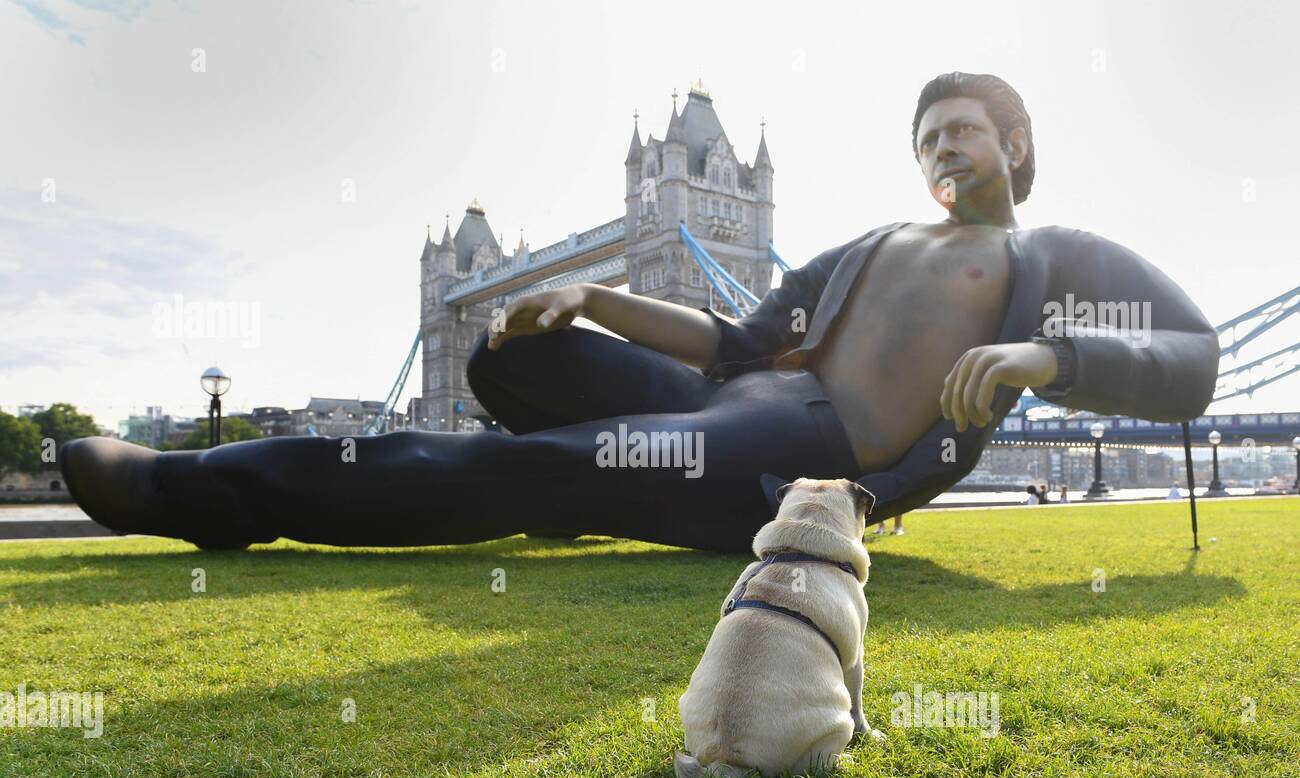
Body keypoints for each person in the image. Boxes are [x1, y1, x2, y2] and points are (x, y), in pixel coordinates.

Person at [60, 72, 1221, 553]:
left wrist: (1044, 352)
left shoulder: (1056, 254)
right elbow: (728, 342)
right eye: (925, 140)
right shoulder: (865, 249)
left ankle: (197, 494)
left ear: (1012, 143)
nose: (938, 151)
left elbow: (1194, 356)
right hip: (739, 401)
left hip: (808, 453)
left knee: (519, 463)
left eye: (959, 131)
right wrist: (593, 296)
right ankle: (601, 487)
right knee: (519, 367)